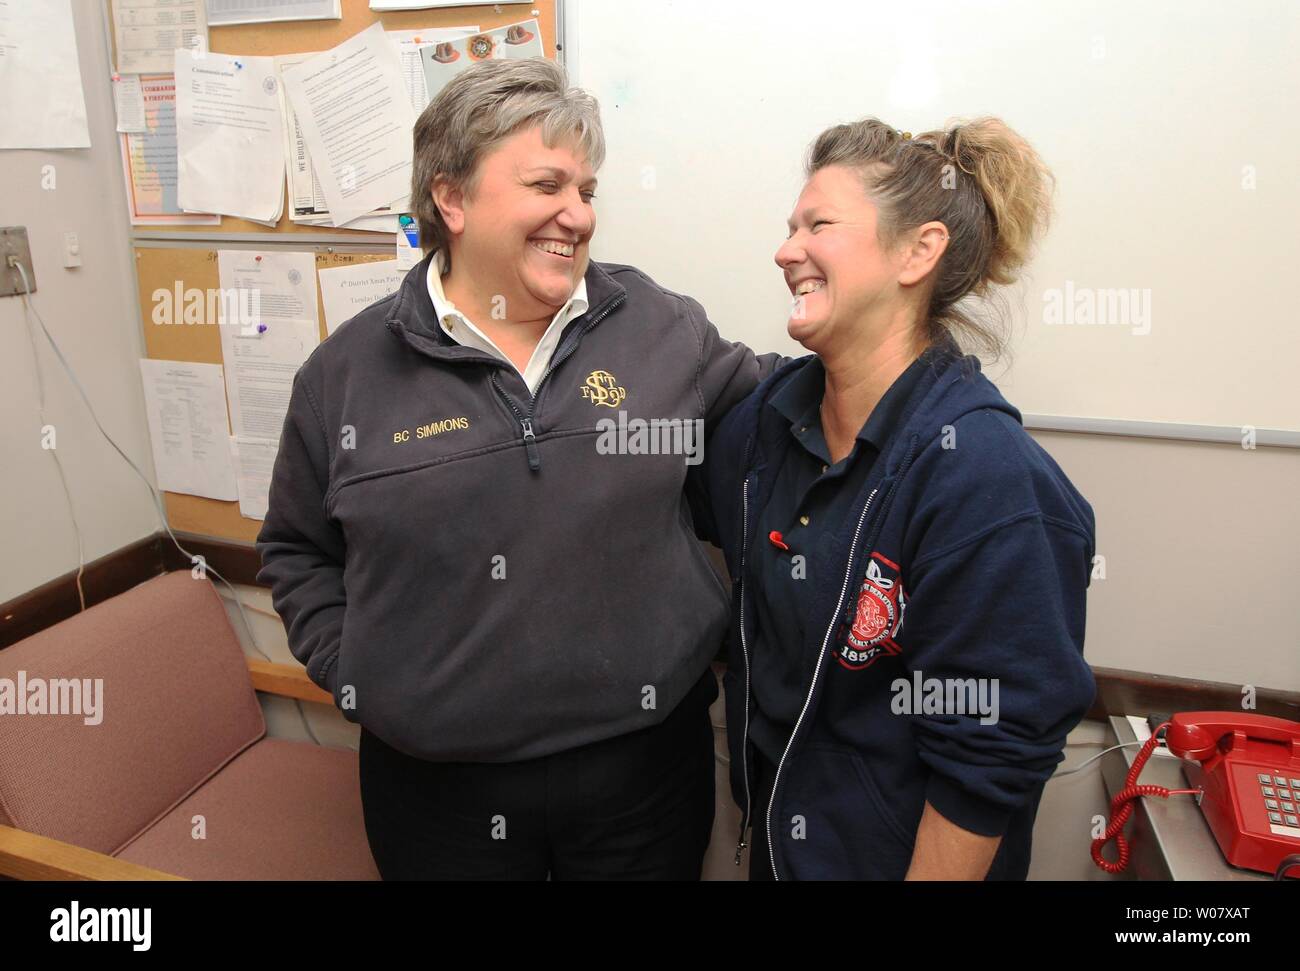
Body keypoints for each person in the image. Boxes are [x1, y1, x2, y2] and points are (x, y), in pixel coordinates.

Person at [255, 58, 779, 880]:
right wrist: (358, 670)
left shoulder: (658, 325)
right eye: (548, 184)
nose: (578, 215)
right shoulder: (343, 375)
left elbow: (786, 407)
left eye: (589, 190)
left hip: (643, 775)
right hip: (437, 796)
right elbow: (295, 549)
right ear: (451, 198)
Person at [699, 118, 1097, 880]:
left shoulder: (984, 477)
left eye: (818, 225)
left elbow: (991, 752)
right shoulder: (770, 421)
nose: (787, 250)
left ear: (918, 251)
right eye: (789, 227)